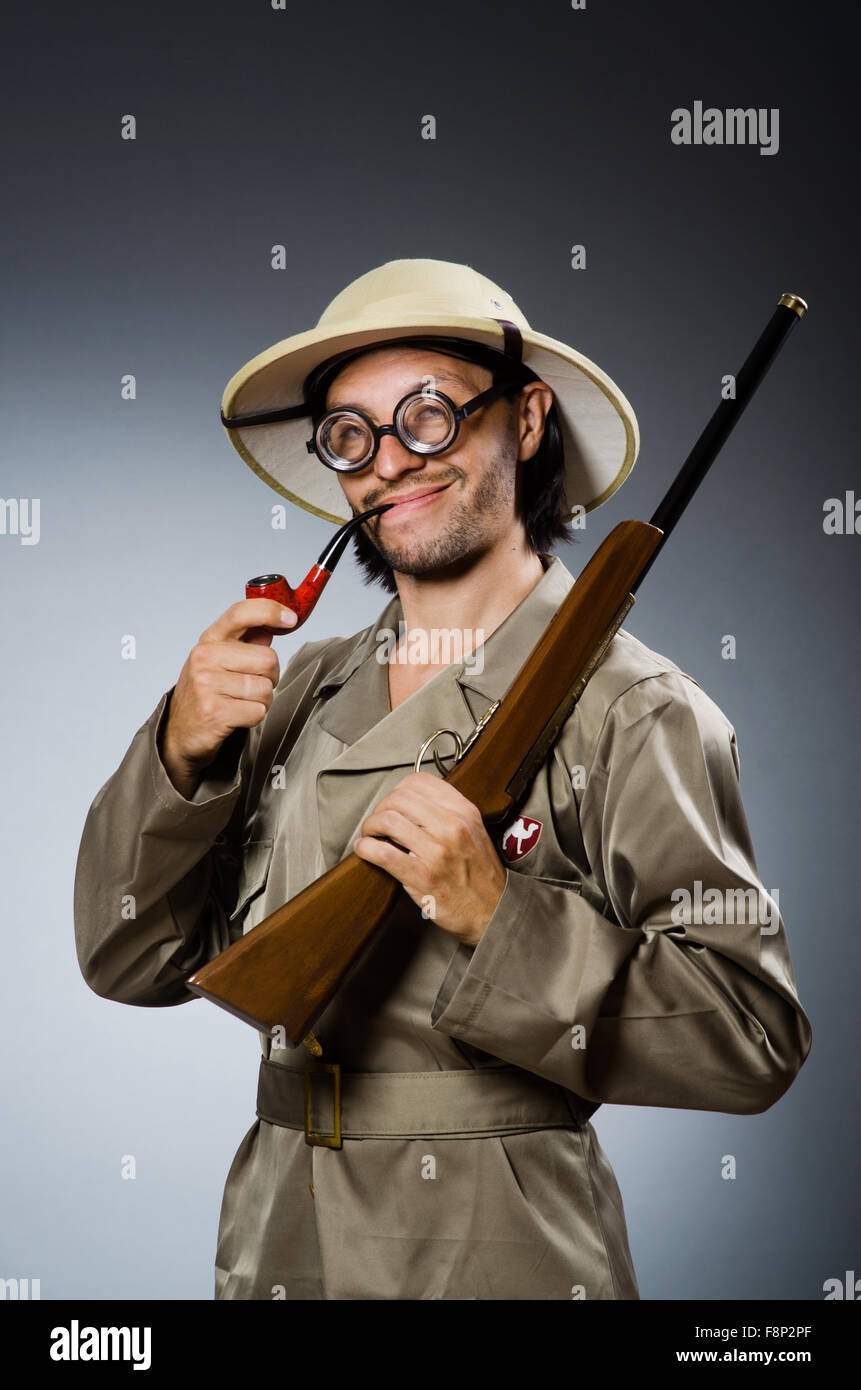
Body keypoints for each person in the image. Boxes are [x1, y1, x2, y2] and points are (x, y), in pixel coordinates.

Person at [73, 258, 811, 1301]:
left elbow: (753, 1036)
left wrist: (500, 917)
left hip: (496, 1246)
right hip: (277, 1229)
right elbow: (125, 959)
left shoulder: (635, 709)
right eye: (350, 436)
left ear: (527, 419)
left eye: (428, 414)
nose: (389, 462)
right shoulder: (300, 692)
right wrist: (180, 757)